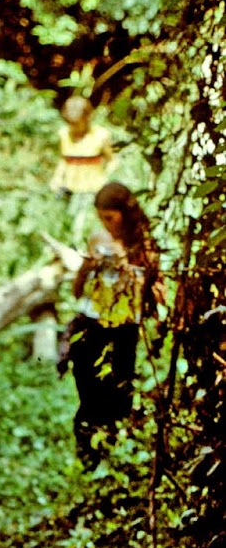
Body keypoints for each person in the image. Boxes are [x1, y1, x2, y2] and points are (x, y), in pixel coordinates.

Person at [60, 181, 164, 466]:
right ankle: (88, 456)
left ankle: (114, 455)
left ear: (124, 213)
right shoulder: (98, 240)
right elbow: (80, 283)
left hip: (124, 327)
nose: (106, 225)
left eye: (110, 218)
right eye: (101, 218)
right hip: (93, 321)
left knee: (118, 390)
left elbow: (153, 285)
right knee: (88, 385)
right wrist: (86, 272)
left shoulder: (142, 244)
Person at [51, 96, 116, 244]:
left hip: (92, 189)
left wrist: (106, 178)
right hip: (69, 188)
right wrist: (57, 178)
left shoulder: (100, 136)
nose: (73, 128)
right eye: (70, 124)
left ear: (87, 118)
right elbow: (64, 159)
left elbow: (112, 160)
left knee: (82, 226)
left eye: (77, 124)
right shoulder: (64, 134)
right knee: (64, 224)